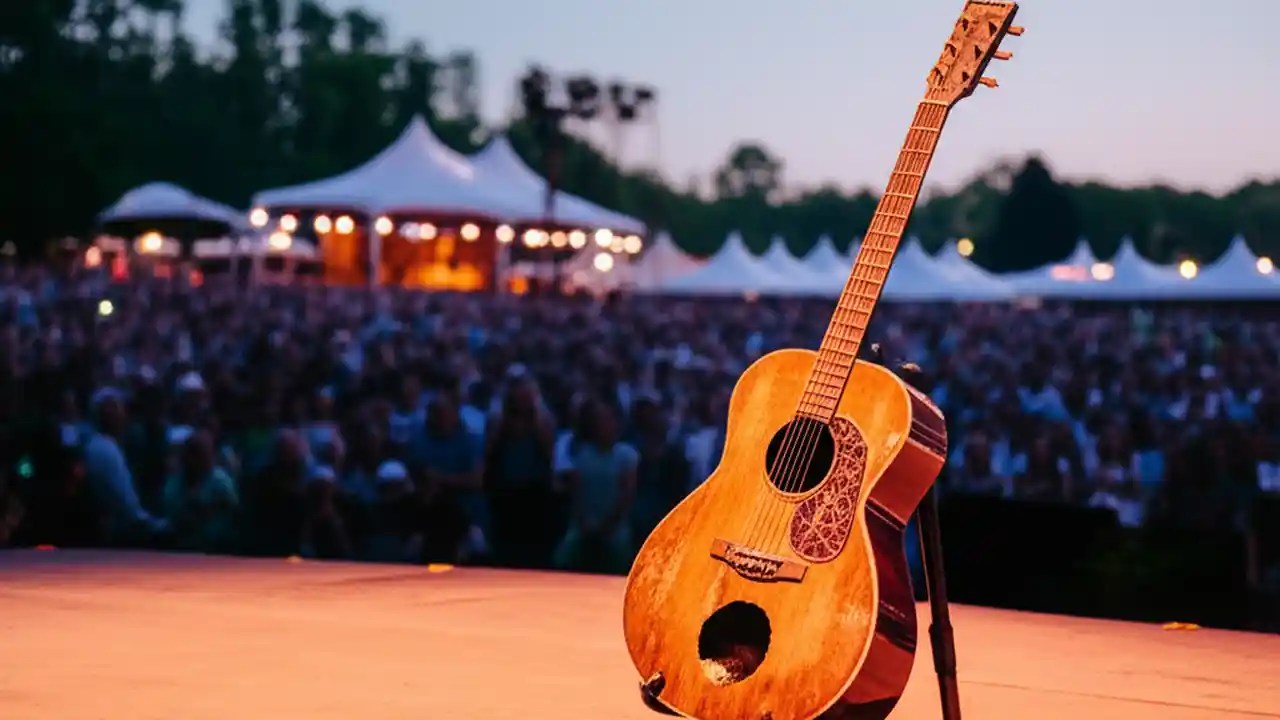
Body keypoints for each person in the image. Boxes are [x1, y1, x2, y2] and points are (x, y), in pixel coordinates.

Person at [554, 399, 638, 574]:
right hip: (583, 525)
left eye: (608, 420)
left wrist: (607, 527)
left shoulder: (627, 455)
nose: (604, 425)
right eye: (599, 421)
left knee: (620, 555)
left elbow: (627, 495)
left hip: (615, 528)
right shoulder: (582, 454)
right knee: (562, 557)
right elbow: (576, 493)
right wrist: (584, 523)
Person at [161, 429, 239, 553]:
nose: (207, 458)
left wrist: (210, 508)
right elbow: (171, 512)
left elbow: (234, 509)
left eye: (208, 453)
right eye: (196, 453)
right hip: (182, 547)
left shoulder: (221, 481)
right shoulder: (175, 483)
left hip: (218, 549)